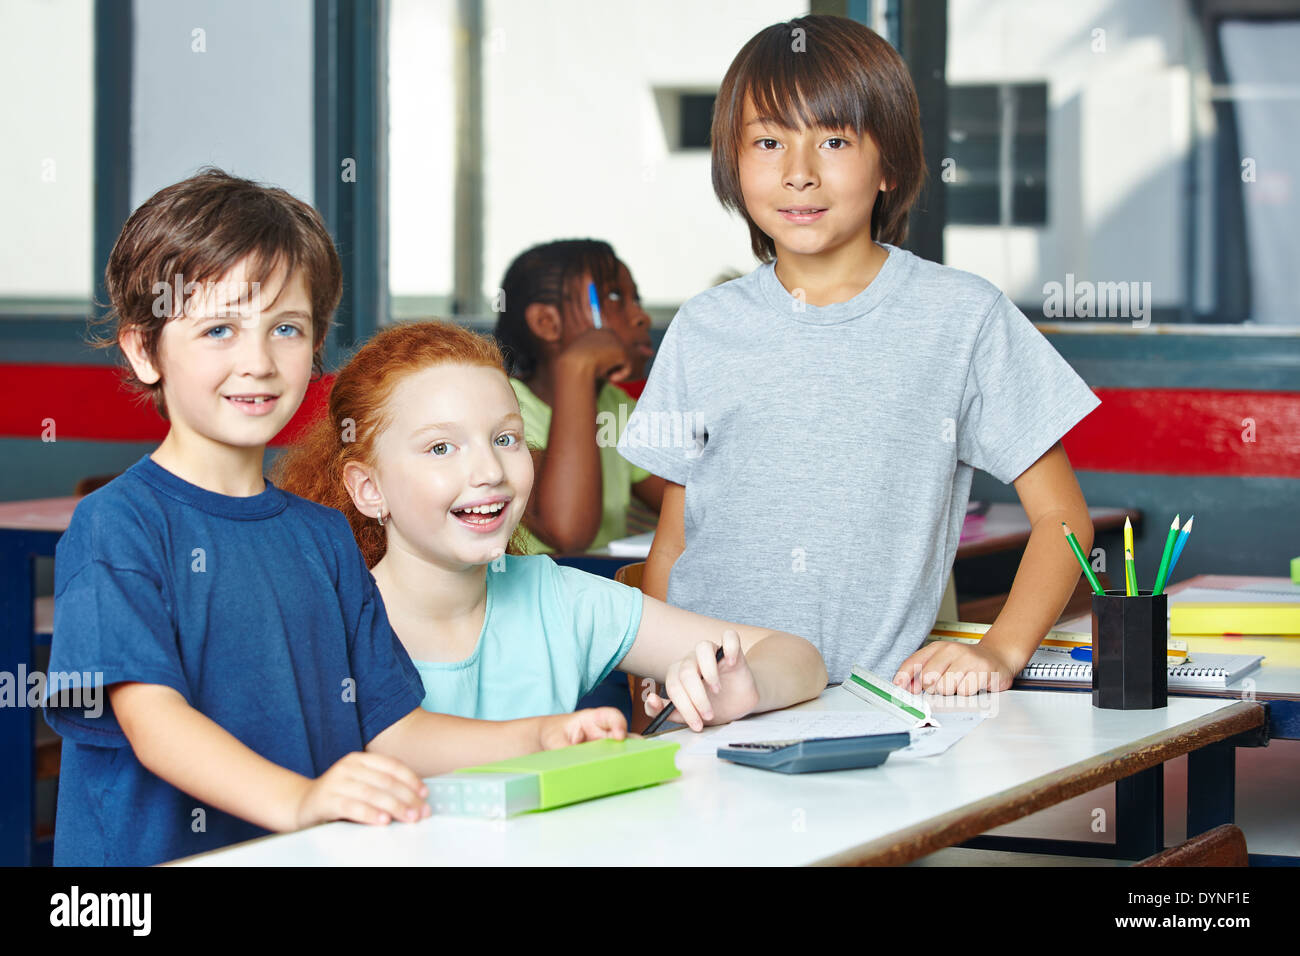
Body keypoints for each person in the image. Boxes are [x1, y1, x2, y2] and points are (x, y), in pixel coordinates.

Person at [42, 169, 625, 866]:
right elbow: (154, 722)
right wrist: (300, 801)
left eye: (286, 328)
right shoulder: (118, 525)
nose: (257, 362)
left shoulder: (322, 534)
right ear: (144, 350)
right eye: (220, 328)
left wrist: (538, 737)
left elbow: (390, 729)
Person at [618, 15, 1101, 697]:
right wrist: (659, 667)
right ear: (731, 160)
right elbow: (675, 538)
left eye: (835, 140)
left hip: (877, 701)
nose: (798, 174)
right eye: (767, 142)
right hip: (713, 696)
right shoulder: (703, 327)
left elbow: (1063, 519)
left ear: (891, 165)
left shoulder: (962, 317)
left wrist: (999, 652)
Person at [273, 320, 827, 726]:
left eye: (505, 439)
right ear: (370, 489)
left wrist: (742, 689)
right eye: (441, 447)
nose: (489, 470)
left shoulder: (558, 600)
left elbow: (798, 657)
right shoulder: (329, 624)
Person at [493, 240, 664, 553]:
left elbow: (693, 507)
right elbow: (567, 533)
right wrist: (577, 368)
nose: (642, 317)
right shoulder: (499, 410)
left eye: (635, 299)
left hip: (597, 590)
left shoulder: (618, 407)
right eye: (615, 297)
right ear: (547, 323)